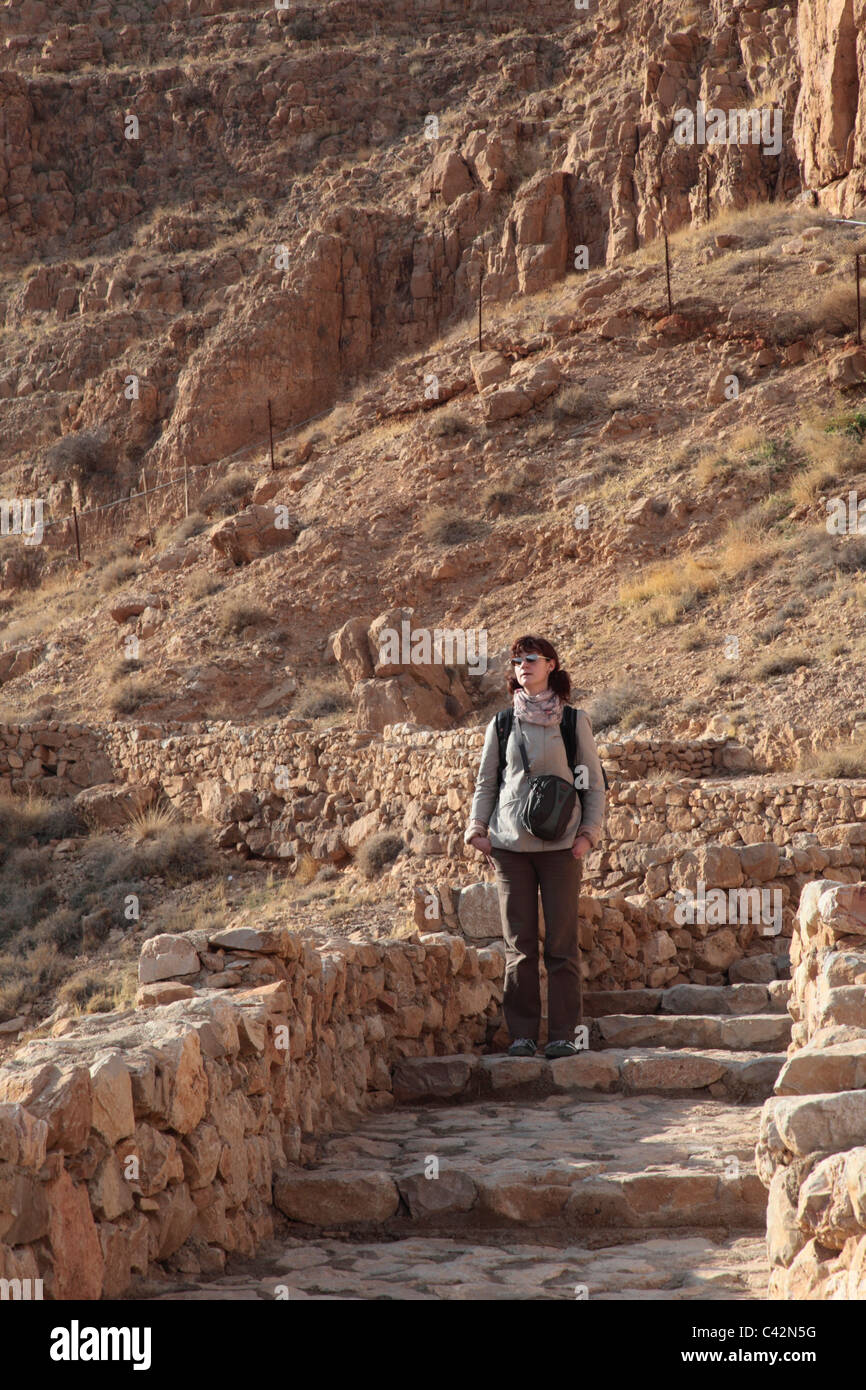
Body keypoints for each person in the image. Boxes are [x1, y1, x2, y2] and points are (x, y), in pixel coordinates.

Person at [464, 635, 606, 1058]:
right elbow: (487, 782)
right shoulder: (502, 723)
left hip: (563, 847)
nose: (522, 665)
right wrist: (477, 828)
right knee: (518, 945)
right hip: (510, 847)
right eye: (516, 661)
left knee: (561, 946)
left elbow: (592, 783)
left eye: (531, 658)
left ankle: (563, 1035)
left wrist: (587, 836)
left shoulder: (573, 720)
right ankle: (522, 1035)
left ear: (550, 665)